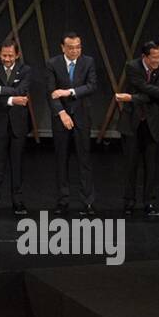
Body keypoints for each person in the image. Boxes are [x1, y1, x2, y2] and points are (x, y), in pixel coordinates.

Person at [114, 40, 159, 217]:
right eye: (154, 57)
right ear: (144, 57)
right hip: (132, 122)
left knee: (151, 166)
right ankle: (129, 201)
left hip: (152, 123)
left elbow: (154, 95)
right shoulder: (132, 67)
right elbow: (144, 87)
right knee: (130, 165)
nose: (158, 60)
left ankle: (149, 202)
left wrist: (131, 98)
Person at [45, 32, 97, 215]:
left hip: (82, 116)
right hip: (61, 119)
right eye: (71, 47)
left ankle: (87, 201)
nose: (75, 51)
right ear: (63, 47)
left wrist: (69, 92)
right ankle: (63, 200)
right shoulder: (53, 64)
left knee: (84, 160)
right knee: (61, 159)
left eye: (78, 47)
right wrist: (62, 113)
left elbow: (91, 86)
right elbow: (51, 92)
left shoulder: (88, 62)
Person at [0, 38, 31, 216]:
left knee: (17, 165)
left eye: (10, 55)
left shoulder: (26, 70)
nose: (7, 58)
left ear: (17, 55)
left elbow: (22, 91)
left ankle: (17, 201)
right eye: (4, 55)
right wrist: (12, 100)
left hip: (18, 125)